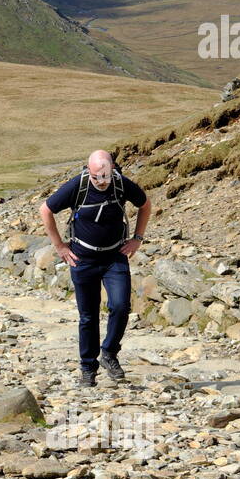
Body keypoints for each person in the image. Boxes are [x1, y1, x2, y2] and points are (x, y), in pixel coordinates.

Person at [40, 150, 152, 387]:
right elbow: (46, 210)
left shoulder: (121, 184)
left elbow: (145, 205)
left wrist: (138, 238)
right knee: (88, 316)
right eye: (95, 177)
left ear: (112, 170)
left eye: (105, 177)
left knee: (121, 306)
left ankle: (109, 354)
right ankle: (88, 368)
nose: (101, 182)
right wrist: (60, 246)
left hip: (115, 256)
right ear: (88, 172)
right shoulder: (77, 185)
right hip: (82, 259)